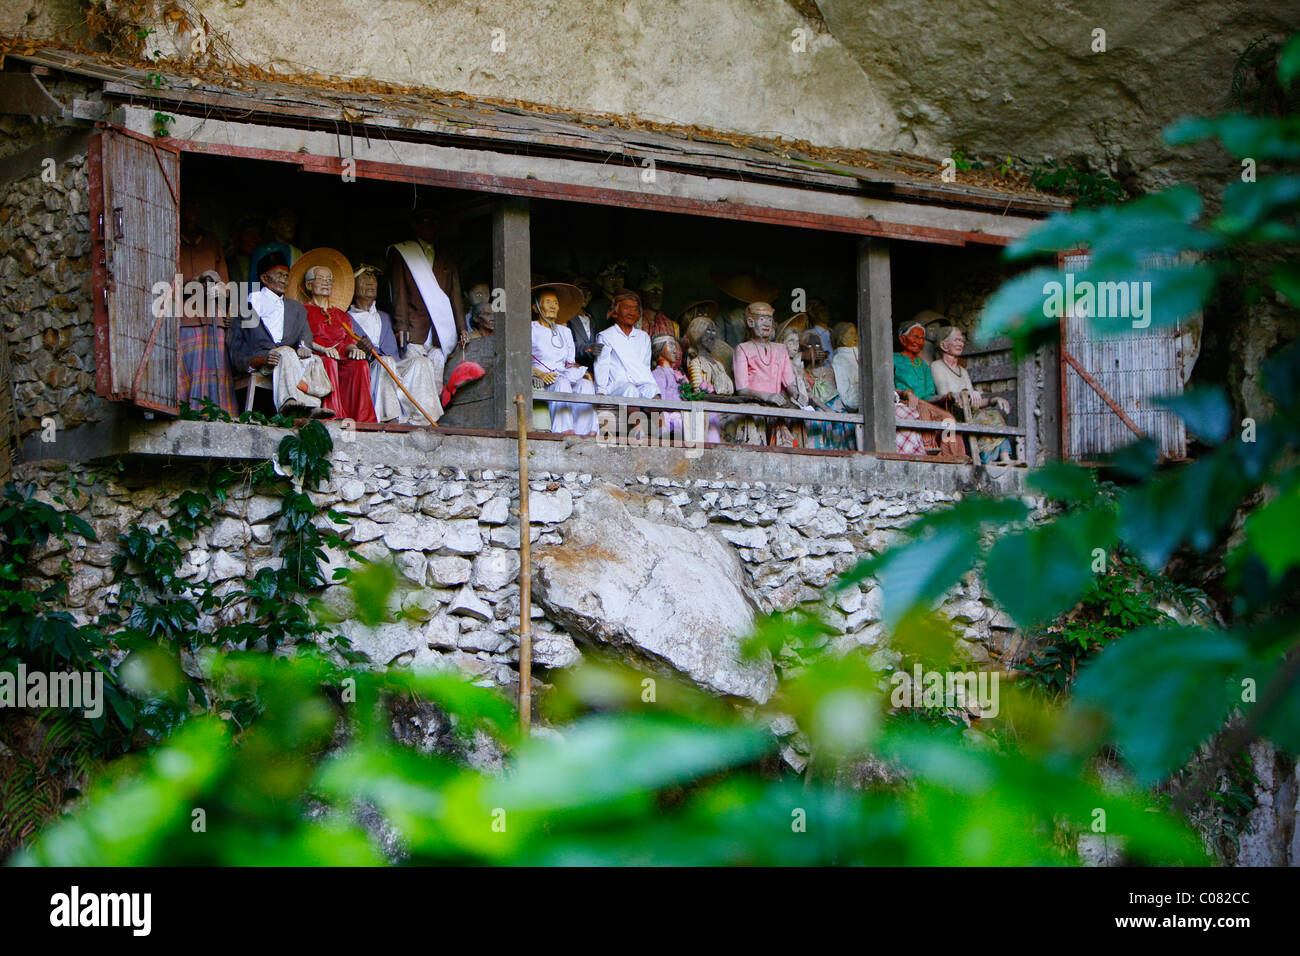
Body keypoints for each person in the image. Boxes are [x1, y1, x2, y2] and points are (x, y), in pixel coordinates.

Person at [227, 251, 331, 417]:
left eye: (287, 276)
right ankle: (291, 403)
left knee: (314, 360)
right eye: (279, 274)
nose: (284, 279)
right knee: (286, 352)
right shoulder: (248, 305)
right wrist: (261, 360)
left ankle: (306, 405)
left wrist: (304, 346)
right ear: (264, 278)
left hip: (289, 360)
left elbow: (306, 336)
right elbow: (236, 351)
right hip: (264, 361)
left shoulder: (297, 309)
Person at [349, 264, 443, 425]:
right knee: (386, 362)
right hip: (370, 371)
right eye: (364, 278)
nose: (371, 282)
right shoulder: (347, 319)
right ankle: (391, 418)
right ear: (352, 285)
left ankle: (423, 418)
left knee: (422, 362)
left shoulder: (385, 317)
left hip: (395, 365)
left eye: (373, 278)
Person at [299, 258, 377, 423]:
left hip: (341, 355)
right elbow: (301, 339)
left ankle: (364, 418)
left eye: (329, 280)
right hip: (317, 355)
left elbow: (348, 340)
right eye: (321, 279)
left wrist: (354, 349)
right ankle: (333, 414)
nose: (326, 283)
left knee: (360, 364)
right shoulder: (302, 310)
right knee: (329, 361)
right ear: (309, 285)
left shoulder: (341, 314)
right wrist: (322, 349)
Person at [177, 202, 236, 415]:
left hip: (213, 316)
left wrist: (217, 285)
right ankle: (188, 411)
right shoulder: (170, 238)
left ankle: (218, 413)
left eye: (194, 219)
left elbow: (227, 287)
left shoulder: (211, 241)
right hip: (185, 316)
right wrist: (196, 281)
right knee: (189, 367)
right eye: (186, 219)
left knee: (216, 367)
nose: (191, 223)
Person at [387, 207, 468, 359]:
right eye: (425, 221)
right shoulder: (402, 252)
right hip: (414, 330)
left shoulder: (446, 256)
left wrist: (462, 328)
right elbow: (400, 295)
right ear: (414, 225)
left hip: (441, 332)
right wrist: (401, 328)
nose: (430, 225)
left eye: (434, 221)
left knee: (438, 377)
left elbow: (455, 296)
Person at [930, 325, 1014, 464]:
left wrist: (993, 399)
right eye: (956, 340)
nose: (960, 343)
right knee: (984, 417)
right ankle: (986, 458)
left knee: (994, 415)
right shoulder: (937, 366)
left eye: (962, 341)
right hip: (952, 413)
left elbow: (974, 400)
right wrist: (967, 394)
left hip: (970, 411)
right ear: (944, 345)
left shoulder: (962, 371)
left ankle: (1005, 458)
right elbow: (945, 395)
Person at [532, 283, 596, 436]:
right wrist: (539, 373)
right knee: (562, 383)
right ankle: (563, 430)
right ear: (536, 308)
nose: (553, 306)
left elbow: (569, 362)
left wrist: (580, 372)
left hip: (563, 374)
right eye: (548, 302)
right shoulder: (530, 329)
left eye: (556, 303)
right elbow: (521, 359)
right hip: (540, 378)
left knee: (586, 385)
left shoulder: (565, 331)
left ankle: (585, 432)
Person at [732, 301, 799, 446]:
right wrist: (767, 396)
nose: (767, 324)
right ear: (750, 322)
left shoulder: (781, 349)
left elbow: (789, 383)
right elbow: (742, 389)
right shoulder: (742, 349)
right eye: (762, 319)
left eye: (769, 319)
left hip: (777, 407)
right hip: (754, 406)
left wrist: (797, 394)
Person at [893, 321, 963, 457]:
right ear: (902, 339)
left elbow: (930, 395)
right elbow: (887, 387)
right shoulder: (893, 359)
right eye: (915, 337)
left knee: (948, 419)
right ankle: (929, 448)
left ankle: (950, 454)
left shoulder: (924, 365)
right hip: (904, 404)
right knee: (923, 409)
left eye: (922, 338)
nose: (919, 342)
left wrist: (946, 396)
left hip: (924, 404)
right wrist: (905, 393)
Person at [594, 291, 660, 400]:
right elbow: (601, 364)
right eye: (627, 307)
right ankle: (634, 417)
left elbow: (645, 366)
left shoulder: (643, 337)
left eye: (635, 309)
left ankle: (657, 418)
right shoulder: (605, 336)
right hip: (617, 386)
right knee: (630, 390)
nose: (631, 312)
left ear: (639, 315)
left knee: (653, 391)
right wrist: (600, 391)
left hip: (640, 382)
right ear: (615, 313)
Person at [801, 331, 855, 450]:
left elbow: (836, 394)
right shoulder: (801, 371)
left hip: (836, 408)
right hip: (816, 408)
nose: (814, 350)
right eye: (809, 347)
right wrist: (802, 357)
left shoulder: (829, 370)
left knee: (847, 422)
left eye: (818, 346)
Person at [246, 207, 302, 287]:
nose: (290, 224)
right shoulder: (262, 251)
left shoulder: (298, 253)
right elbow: (254, 283)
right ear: (272, 223)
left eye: (293, 219)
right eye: (285, 219)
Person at [651, 336, 688, 441]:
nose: (675, 350)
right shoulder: (659, 373)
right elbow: (660, 401)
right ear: (659, 348)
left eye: (675, 346)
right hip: (670, 415)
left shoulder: (678, 374)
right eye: (671, 345)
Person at [568, 275, 603, 370]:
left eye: (588, 292)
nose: (585, 295)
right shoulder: (566, 318)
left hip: (592, 368)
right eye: (580, 291)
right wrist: (589, 349)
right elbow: (567, 346)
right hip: (573, 368)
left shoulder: (591, 319)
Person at [830, 321, 860, 412]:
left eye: (855, 333)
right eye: (851, 333)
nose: (855, 337)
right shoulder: (839, 359)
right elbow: (845, 393)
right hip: (853, 401)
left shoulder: (858, 354)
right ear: (842, 338)